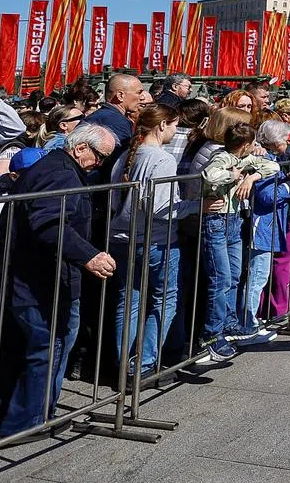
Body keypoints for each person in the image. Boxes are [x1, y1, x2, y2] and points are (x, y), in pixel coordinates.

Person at [0, 123, 118, 439]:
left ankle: (28, 417)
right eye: (101, 157)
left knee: (45, 344)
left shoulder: (59, 168)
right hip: (40, 278)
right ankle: (28, 422)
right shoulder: (59, 172)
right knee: (49, 345)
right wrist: (89, 255)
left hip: (42, 275)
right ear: (80, 148)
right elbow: (49, 224)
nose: (101, 165)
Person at [109, 105, 190, 381]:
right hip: (155, 240)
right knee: (164, 299)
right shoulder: (161, 159)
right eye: (174, 124)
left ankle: (123, 364)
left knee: (128, 301)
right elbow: (162, 208)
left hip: (122, 238)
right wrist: (195, 205)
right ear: (162, 125)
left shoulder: (125, 157)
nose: (175, 131)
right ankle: (143, 363)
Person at [199, 122, 279, 360]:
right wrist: (233, 176)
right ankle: (212, 334)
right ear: (245, 145)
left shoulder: (244, 160)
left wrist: (251, 177)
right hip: (216, 221)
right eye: (253, 144)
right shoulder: (222, 158)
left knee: (234, 275)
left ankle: (230, 324)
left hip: (234, 220)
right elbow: (210, 174)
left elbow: (273, 165)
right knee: (220, 278)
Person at [240, 119, 290, 342]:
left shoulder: (269, 159)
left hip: (268, 225)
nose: (288, 143)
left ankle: (249, 321)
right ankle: (247, 326)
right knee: (257, 277)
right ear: (273, 141)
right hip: (262, 226)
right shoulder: (264, 161)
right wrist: (289, 188)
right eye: (284, 139)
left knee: (258, 276)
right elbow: (266, 196)